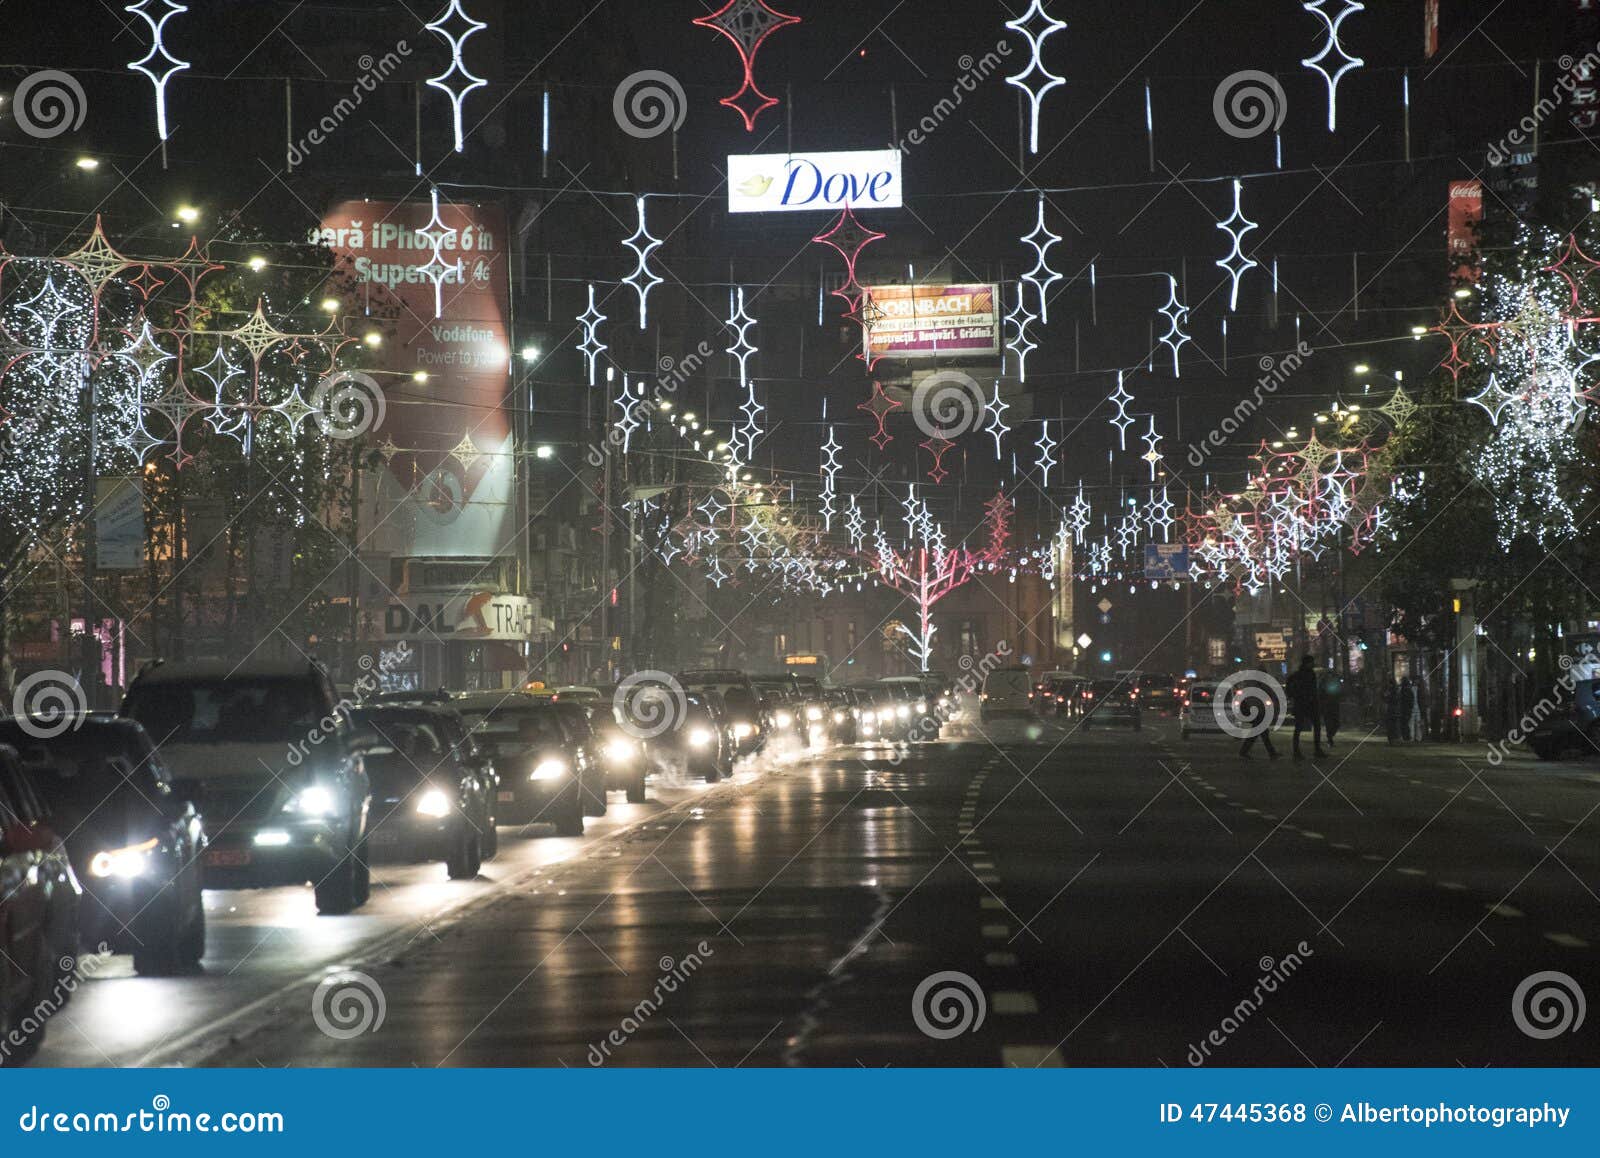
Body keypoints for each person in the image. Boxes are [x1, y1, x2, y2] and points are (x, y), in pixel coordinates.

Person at [1284, 655, 1326, 760]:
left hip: (1301, 704)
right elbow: (1311, 689)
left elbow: (1289, 686)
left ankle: (1297, 751)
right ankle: (1316, 750)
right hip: (1308, 704)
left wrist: (1293, 696)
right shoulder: (1308, 674)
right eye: (1311, 662)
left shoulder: (1297, 675)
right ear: (1308, 663)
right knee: (1314, 726)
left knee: (1299, 728)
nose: (1313, 664)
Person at [1237, 680, 1280, 759]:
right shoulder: (1261, 687)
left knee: (1260, 734)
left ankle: (1244, 751)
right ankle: (1272, 753)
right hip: (1260, 713)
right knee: (1262, 734)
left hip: (1258, 712)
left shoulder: (1254, 686)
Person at [1322, 672, 1344, 749]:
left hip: (1334, 704)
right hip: (1328, 705)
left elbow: (1340, 691)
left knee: (1336, 723)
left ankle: (1330, 736)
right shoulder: (1324, 683)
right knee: (1329, 722)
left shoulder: (1335, 683)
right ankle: (1330, 738)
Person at [1400, 675, 1420, 743]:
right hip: (1413, 708)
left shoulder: (1407, 689)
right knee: (1414, 723)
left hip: (1410, 708)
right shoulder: (1411, 689)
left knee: (1411, 723)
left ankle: (1412, 737)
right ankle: (1415, 737)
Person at [1383, 676, 1402, 744]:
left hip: (1391, 710)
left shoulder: (1390, 691)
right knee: (1396, 726)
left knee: (1391, 726)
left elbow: (1386, 699)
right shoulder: (1397, 690)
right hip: (1396, 710)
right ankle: (1397, 739)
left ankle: (1392, 739)